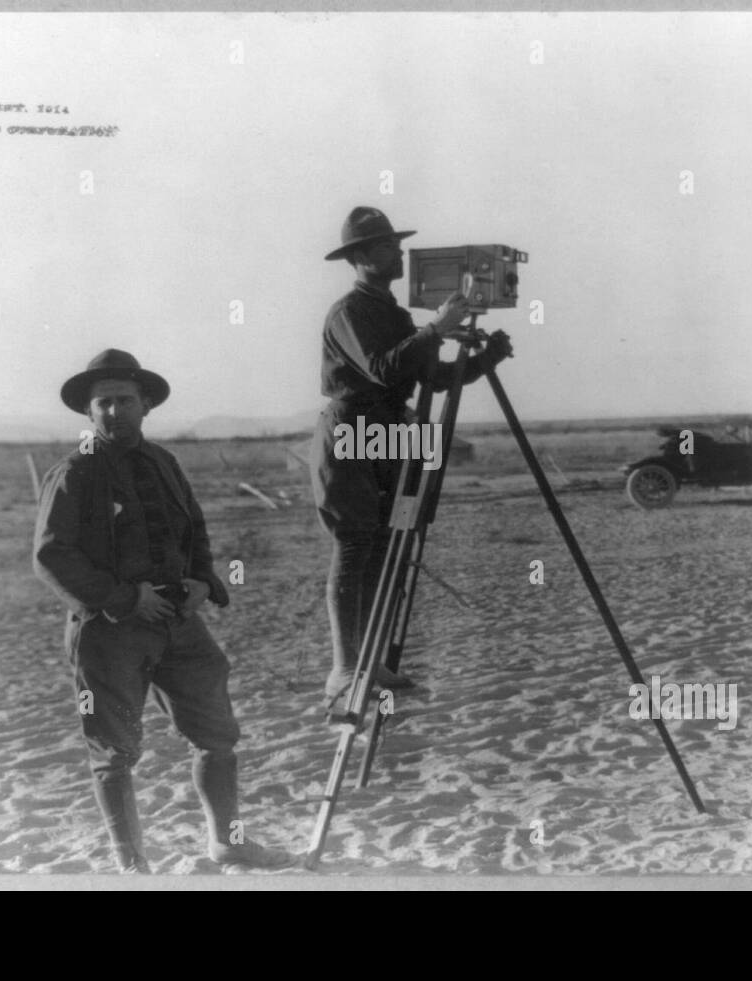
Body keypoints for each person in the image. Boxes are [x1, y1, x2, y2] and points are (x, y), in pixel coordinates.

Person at [34, 349, 292, 872]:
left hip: (178, 624)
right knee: (115, 751)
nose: (113, 412)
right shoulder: (74, 473)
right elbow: (51, 556)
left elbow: (194, 529)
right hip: (109, 633)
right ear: (88, 413)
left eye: (124, 401)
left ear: (145, 405)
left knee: (217, 735)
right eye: (102, 403)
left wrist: (202, 581)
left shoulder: (165, 464)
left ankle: (227, 841)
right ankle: (132, 864)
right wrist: (127, 599)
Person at [310, 207, 513, 707]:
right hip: (354, 428)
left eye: (397, 247)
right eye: (385, 248)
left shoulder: (395, 314)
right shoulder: (349, 311)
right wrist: (436, 330)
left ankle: (371, 658)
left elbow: (434, 379)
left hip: (391, 428)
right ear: (359, 258)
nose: (397, 254)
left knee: (388, 540)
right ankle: (342, 668)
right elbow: (380, 369)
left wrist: (486, 358)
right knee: (356, 543)